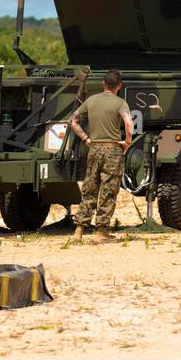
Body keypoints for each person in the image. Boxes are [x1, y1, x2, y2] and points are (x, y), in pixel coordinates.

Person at [69, 69, 133, 242]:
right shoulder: (120, 103)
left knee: (90, 187)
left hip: (94, 148)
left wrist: (86, 138)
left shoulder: (91, 101)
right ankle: (101, 232)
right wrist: (127, 142)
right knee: (108, 190)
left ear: (104, 84)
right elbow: (128, 123)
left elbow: (73, 121)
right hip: (112, 149)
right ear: (119, 85)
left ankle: (79, 230)